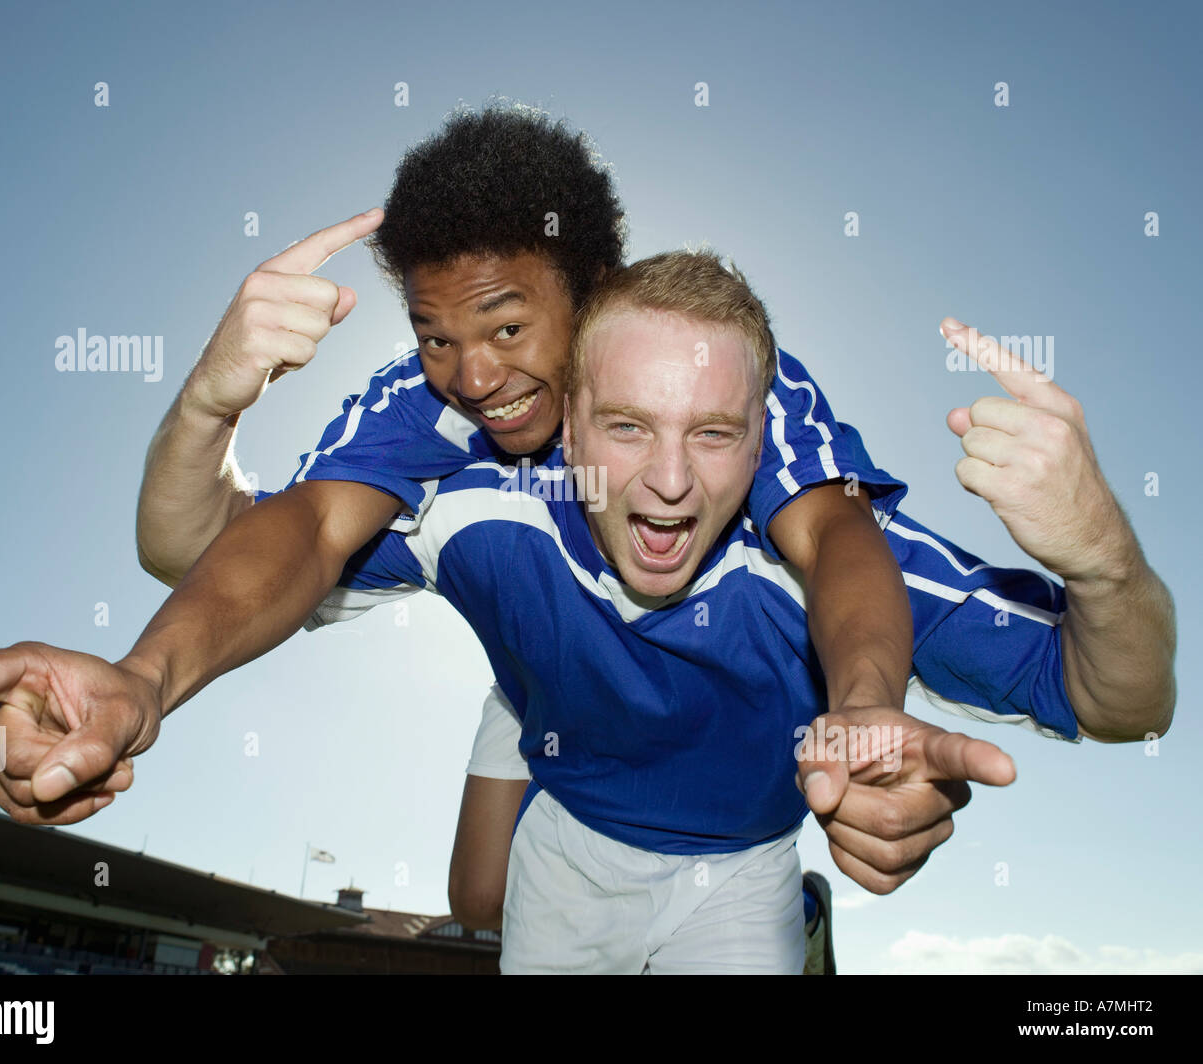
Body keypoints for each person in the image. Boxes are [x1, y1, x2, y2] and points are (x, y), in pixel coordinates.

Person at [312, 249, 1170, 972]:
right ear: (569, 429)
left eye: (714, 434)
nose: (672, 479)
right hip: (569, 794)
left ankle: (798, 919)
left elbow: (1126, 705)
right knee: (477, 896)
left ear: (762, 446)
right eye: (628, 426)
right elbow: (229, 552)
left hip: (740, 859)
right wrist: (211, 406)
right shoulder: (482, 508)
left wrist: (1103, 561)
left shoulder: (836, 572)